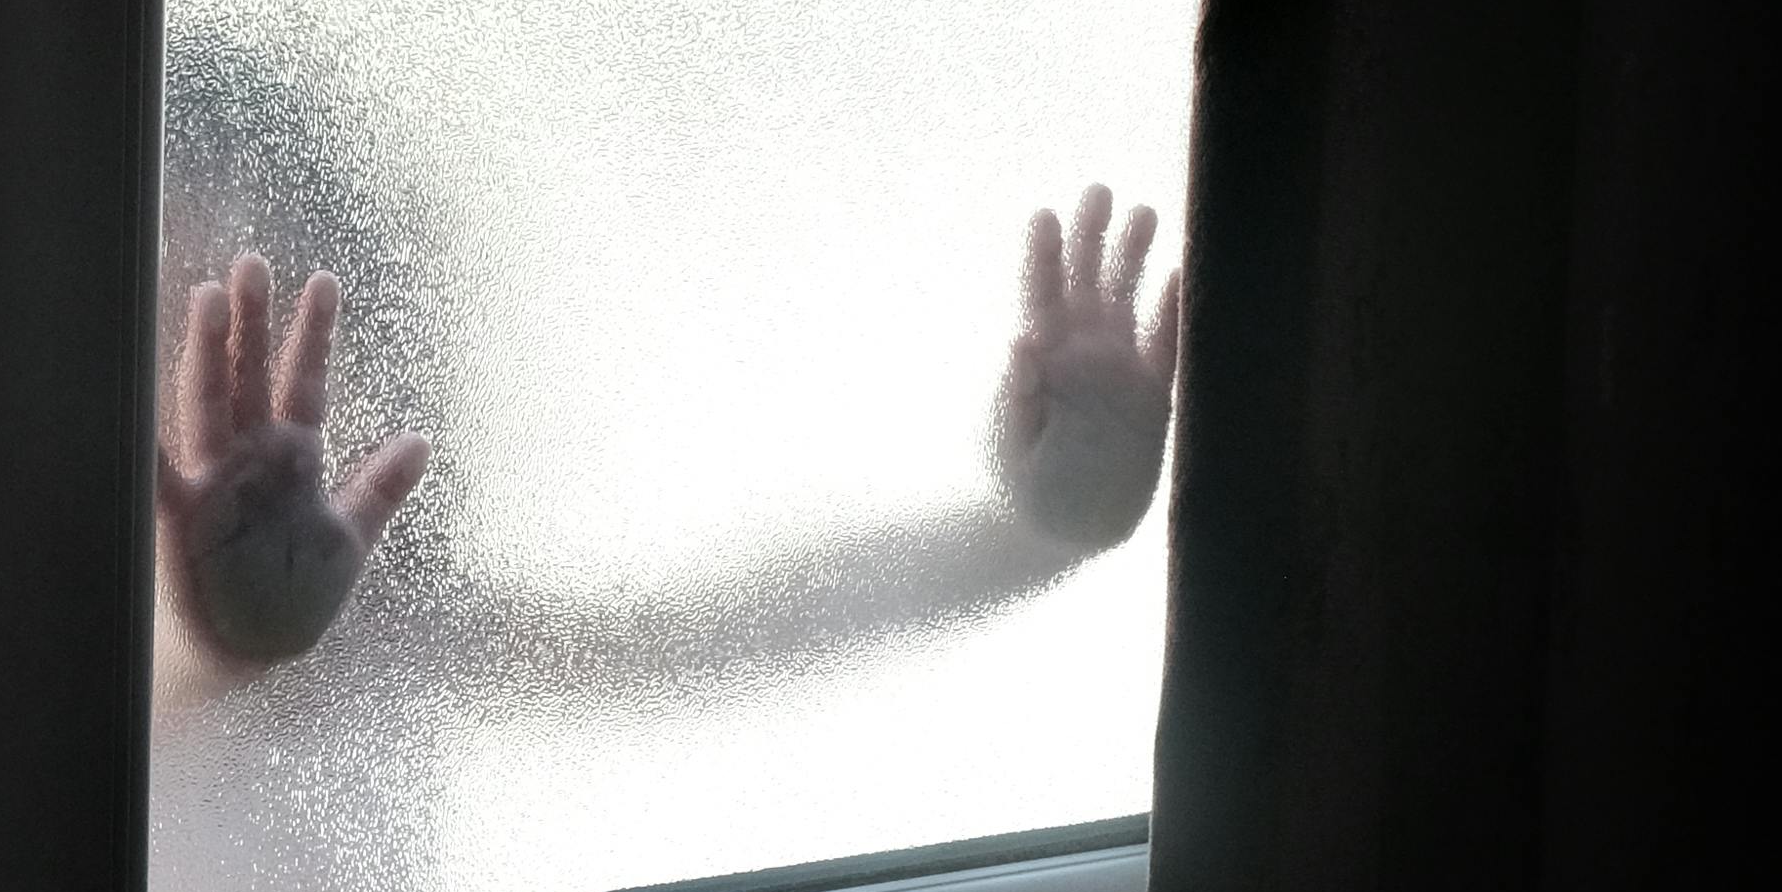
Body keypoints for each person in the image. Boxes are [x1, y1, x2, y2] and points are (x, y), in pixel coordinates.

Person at [153, 183, 1186, 715]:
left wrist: (1039, 534)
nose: (260, 428)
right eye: (200, 326)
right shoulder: (80, 673)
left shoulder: (418, 643)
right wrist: (224, 650)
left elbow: (738, 632)